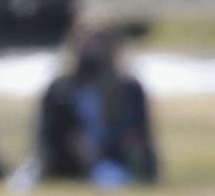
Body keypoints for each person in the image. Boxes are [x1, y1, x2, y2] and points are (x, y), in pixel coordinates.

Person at [31, 21, 159, 186]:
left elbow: (136, 136)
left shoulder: (128, 89)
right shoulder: (60, 90)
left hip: (114, 162)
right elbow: (47, 135)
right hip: (66, 164)